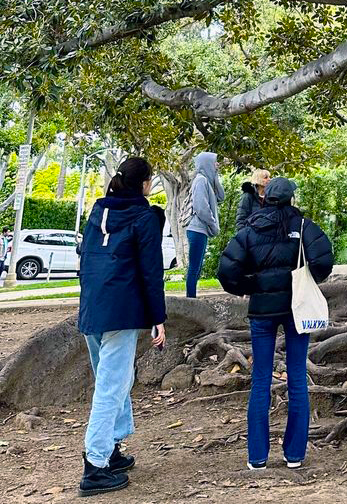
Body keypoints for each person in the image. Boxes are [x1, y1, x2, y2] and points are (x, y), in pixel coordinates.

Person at [217, 177, 333, 471]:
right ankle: (294, 455)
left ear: (266, 198)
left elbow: (226, 270)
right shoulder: (303, 226)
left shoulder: (250, 229)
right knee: (296, 379)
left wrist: (249, 285)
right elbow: (323, 261)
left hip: (262, 314)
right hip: (296, 310)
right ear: (291, 199)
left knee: (260, 381)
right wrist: (305, 278)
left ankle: (257, 457)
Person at [76, 156, 166, 498]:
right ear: (143, 184)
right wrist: (158, 318)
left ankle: (111, 448)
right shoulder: (143, 217)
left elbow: (86, 256)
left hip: (92, 310)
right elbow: (151, 272)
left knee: (112, 380)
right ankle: (95, 466)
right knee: (112, 387)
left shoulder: (99, 210)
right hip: (121, 310)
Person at [185, 151, 224, 298]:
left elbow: (221, 196)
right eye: (215, 162)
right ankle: (190, 298)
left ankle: (191, 297)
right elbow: (201, 208)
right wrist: (214, 225)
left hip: (201, 230)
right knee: (194, 267)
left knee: (197, 266)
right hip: (197, 229)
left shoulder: (207, 180)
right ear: (207, 163)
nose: (217, 165)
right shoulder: (200, 180)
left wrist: (215, 175)